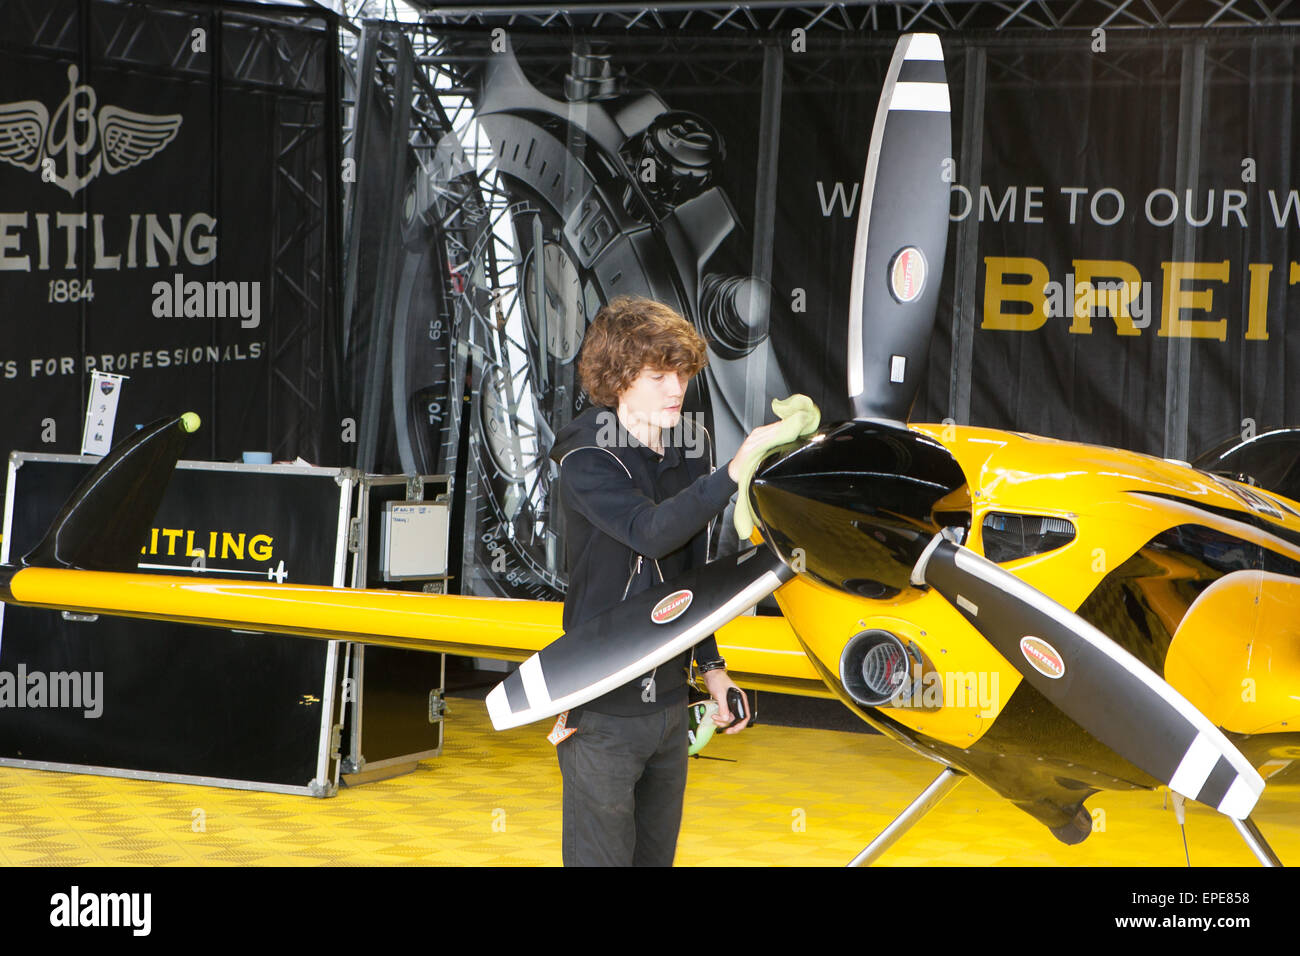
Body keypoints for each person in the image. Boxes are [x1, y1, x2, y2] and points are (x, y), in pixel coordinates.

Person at [547, 295, 788, 867]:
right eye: (658, 375)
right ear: (618, 378)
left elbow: (688, 579)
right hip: (602, 707)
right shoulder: (585, 455)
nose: (676, 387)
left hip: (668, 707)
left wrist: (713, 670)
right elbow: (651, 533)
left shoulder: (684, 447)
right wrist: (732, 473)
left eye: (681, 373)